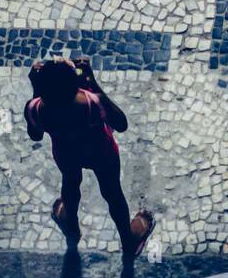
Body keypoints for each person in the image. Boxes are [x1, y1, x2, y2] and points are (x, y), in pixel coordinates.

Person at [24, 57, 154, 257]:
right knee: (112, 192)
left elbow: (36, 135)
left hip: (66, 154)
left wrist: (37, 88)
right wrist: (93, 83)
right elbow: (121, 124)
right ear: (77, 84)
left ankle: (72, 227)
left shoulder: (35, 108)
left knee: (70, 183)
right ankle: (128, 241)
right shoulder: (93, 102)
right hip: (101, 153)